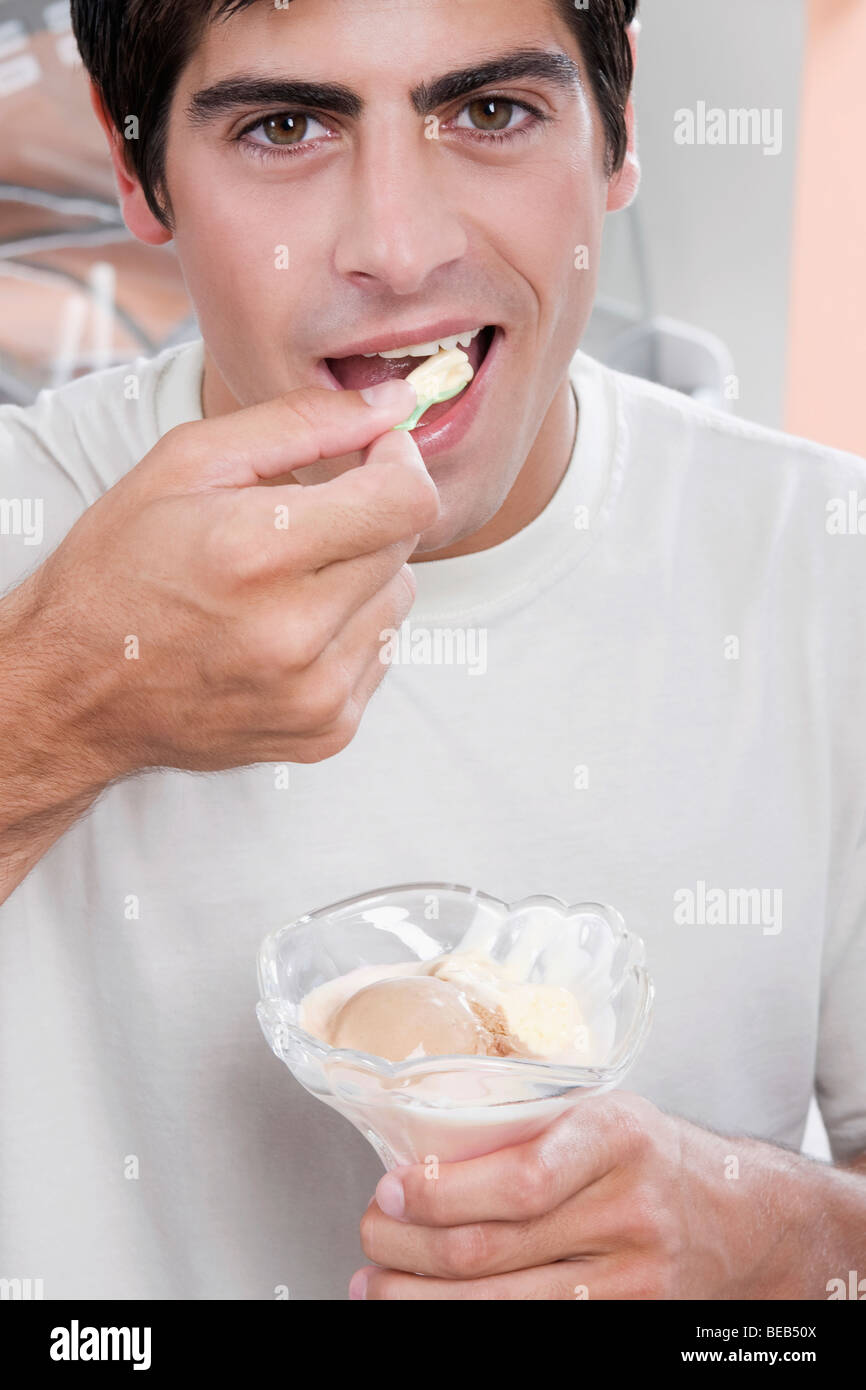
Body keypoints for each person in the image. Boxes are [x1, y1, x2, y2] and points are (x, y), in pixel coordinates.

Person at [1, 0, 864, 1302]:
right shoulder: (25, 525)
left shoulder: (826, 567)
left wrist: (781, 1242)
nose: (396, 252)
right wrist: (56, 705)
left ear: (617, 128)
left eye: (489, 112)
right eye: (286, 126)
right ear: (141, 174)